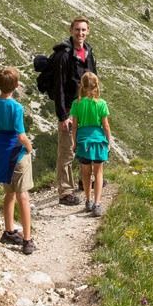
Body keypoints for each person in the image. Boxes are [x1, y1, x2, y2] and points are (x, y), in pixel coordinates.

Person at [0, 66, 36, 254]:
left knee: (9, 193)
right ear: (16, 86)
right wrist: (29, 148)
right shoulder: (16, 107)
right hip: (16, 152)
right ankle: (27, 240)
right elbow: (21, 136)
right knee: (23, 195)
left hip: (0, 151)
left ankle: (8, 230)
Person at [51, 17, 96, 205]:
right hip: (70, 108)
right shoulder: (64, 55)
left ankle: (83, 179)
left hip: (85, 107)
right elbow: (59, 86)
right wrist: (63, 115)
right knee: (67, 150)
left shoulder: (89, 52)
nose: (80, 33)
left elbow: (94, 79)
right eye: (77, 30)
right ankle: (65, 191)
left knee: (84, 143)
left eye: (84, 30)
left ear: (88, 32)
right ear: (71, 30)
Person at [70, 71, 112, 216]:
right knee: (98, 172)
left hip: (83, 141)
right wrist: (109, 141)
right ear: (96, 86)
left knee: (85, 172)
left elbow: (74, 126)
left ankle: (87, 200)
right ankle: (97, 204)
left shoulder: (77, 103)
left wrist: (73, 142)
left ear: (82, 85)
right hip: (99, 140)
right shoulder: (101, 103)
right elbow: (105, 125)